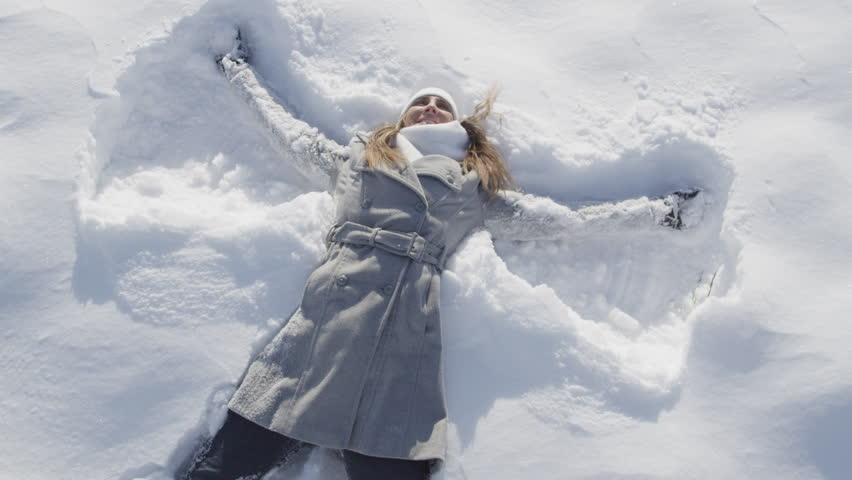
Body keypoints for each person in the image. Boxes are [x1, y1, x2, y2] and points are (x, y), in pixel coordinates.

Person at [181, 35, 701, 480]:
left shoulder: (473, 189)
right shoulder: (358, 158)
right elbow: (286, 129)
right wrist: (236, 69)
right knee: (224, 466)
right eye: (420, 102)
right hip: (328, 323)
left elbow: (563, 219)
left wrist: (656, 213)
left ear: (460, 125)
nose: (430, 107)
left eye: (442, 105)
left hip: (404, 342)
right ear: (403, 116)